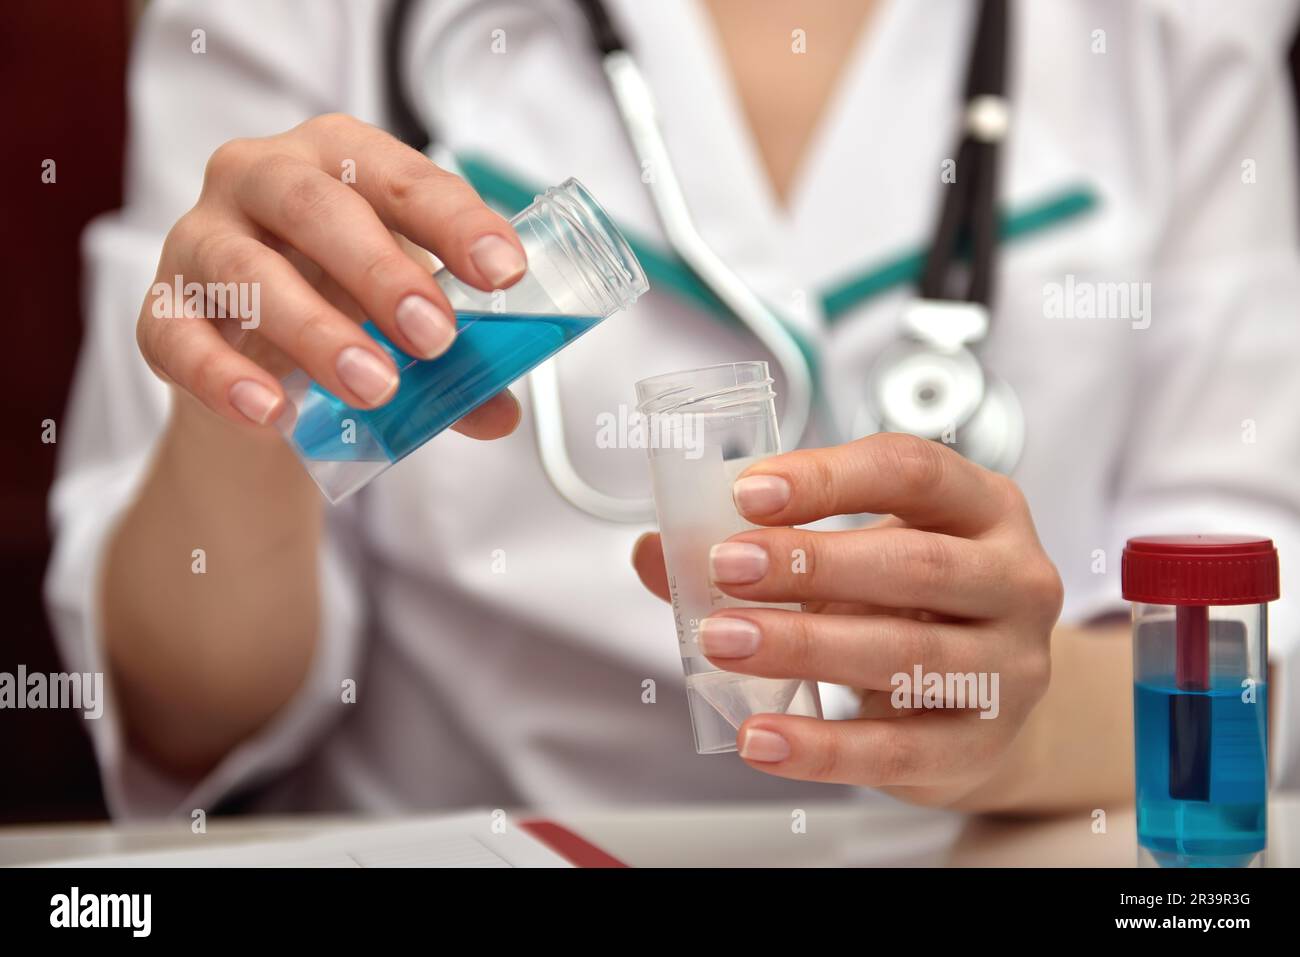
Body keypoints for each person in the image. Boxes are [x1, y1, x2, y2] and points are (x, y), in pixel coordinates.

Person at [46, 0, 1300, 821]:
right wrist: (249, 410)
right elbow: (182, 713)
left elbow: (1257, 673)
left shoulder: (1177, 28)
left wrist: (1010, 737)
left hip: (991, 850)